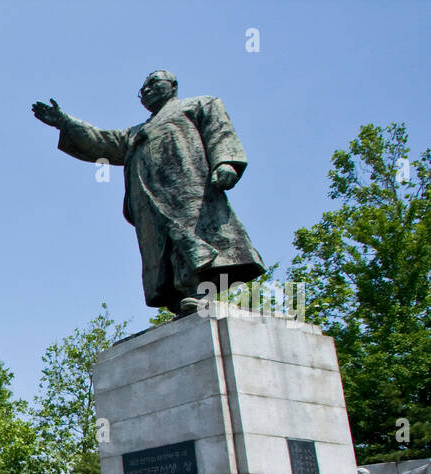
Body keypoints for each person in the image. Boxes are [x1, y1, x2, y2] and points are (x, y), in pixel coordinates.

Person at [33, 70, 266, 315]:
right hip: (148, 199)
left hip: (190, 189)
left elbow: (220, 133)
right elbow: (102, 142)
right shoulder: (135, 133)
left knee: (193, 239)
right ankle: (184, 297)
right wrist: (65, 121)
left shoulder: (199, 104)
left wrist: (225, 163)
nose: (146, 90)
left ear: (173, 85)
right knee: (165, 251)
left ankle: (199, 293)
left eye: (153, 83)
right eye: (141, 89)